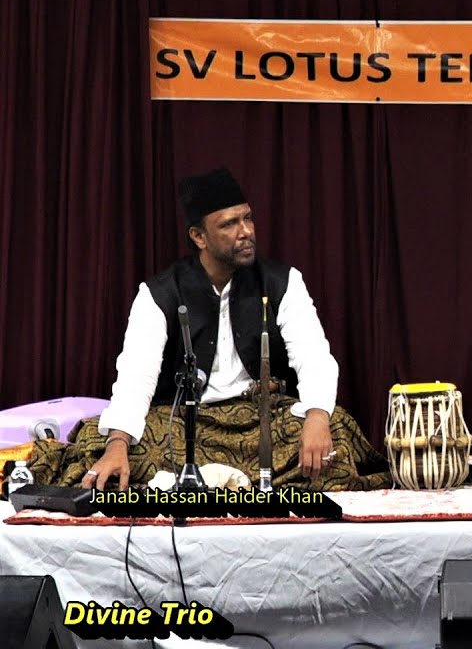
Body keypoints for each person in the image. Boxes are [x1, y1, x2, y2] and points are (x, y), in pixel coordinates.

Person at [27, 167, 390, 491]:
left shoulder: (282, 282)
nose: (245, 232)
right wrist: (119, 442)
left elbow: (314, 357)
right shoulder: (160, 293)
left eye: (247, 219)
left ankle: (196, 482)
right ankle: (230, 481)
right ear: (199, 237)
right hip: (185, 424)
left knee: (336, 430)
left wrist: (315, 416)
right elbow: (136, 376)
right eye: (229, 224)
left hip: (263, 422)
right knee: (101, 440)